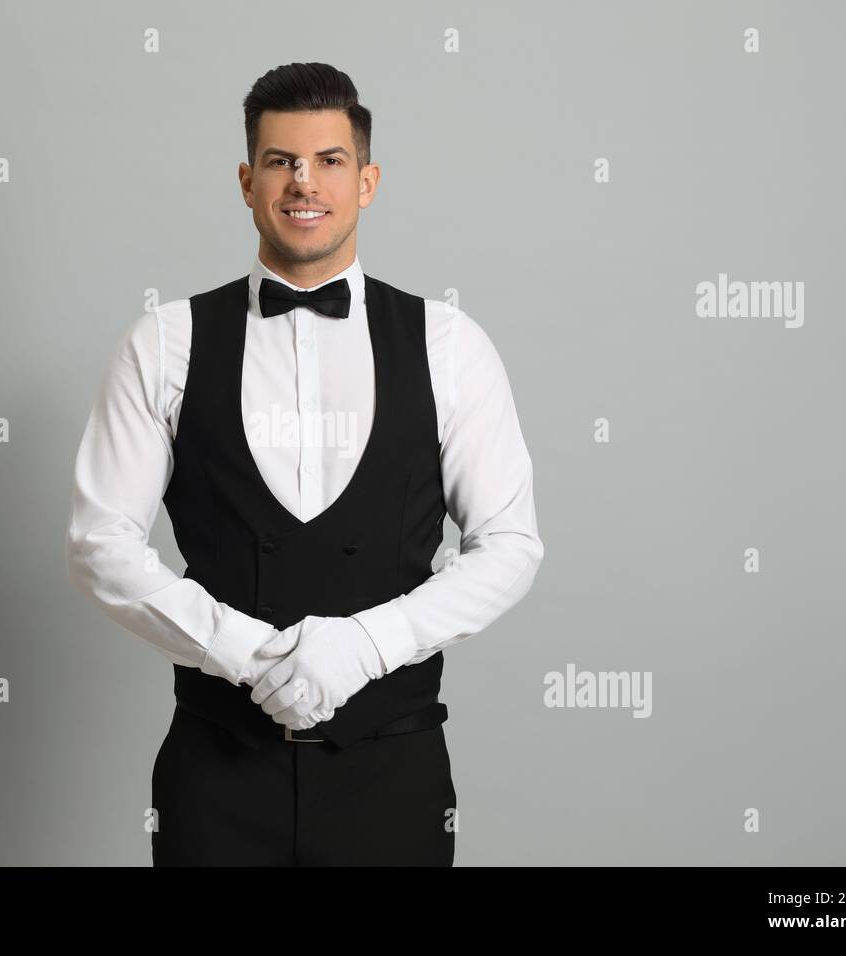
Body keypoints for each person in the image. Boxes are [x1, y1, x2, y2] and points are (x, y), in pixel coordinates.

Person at [65, 62, 544, 866]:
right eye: (282, 161)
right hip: (216, 776)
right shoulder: (165, 343)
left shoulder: (449, 344)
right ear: (248, 181)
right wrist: (252, 658)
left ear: (368, 180)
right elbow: (99, 544)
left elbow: (510, 545)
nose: (303, 183)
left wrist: (365, 645)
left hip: (394, 774)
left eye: (329, 160)